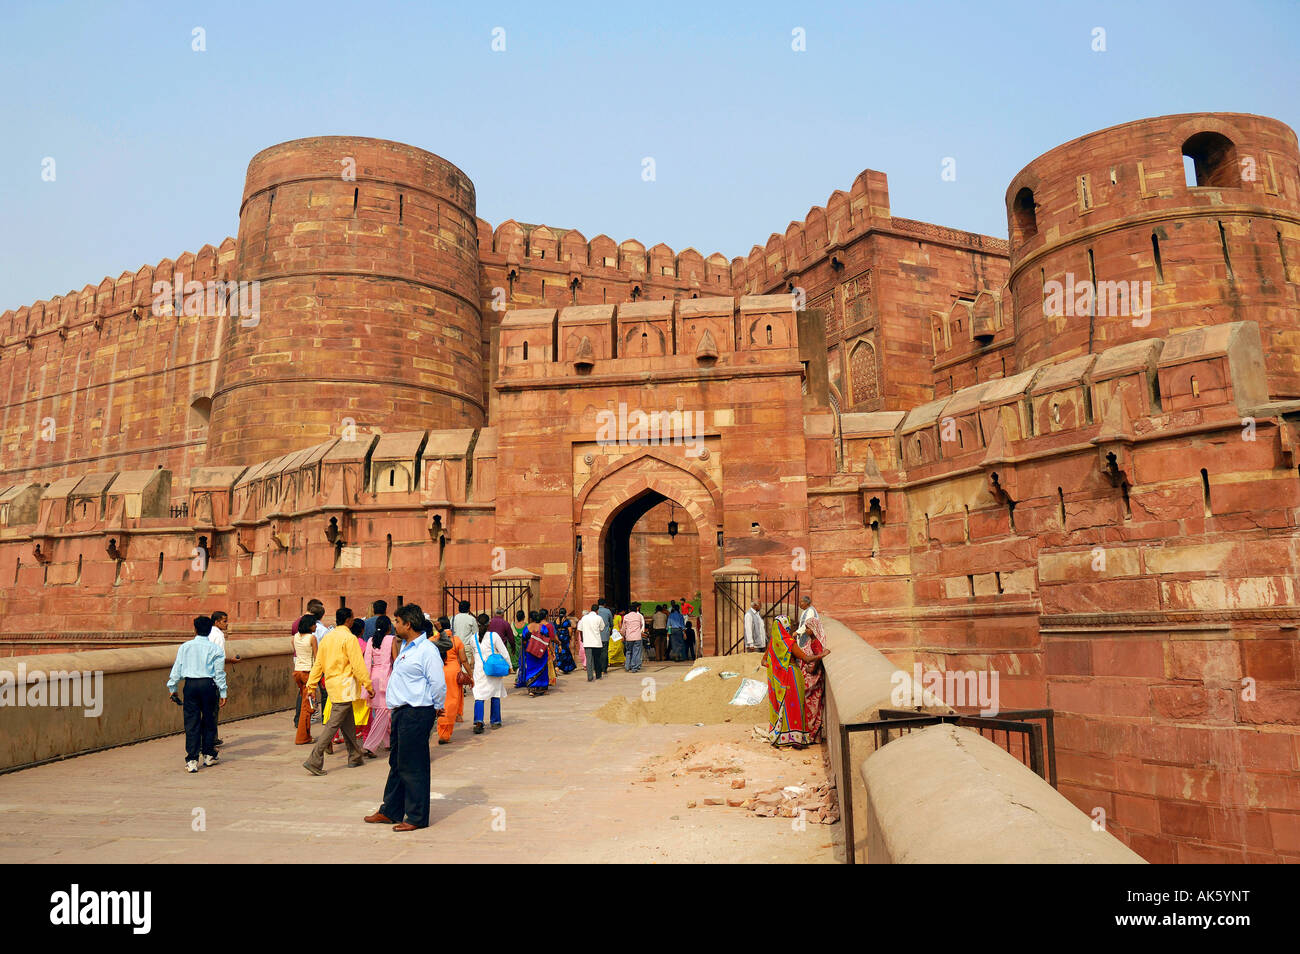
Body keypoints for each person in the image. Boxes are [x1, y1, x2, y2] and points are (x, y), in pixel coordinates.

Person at [364, 602, 446, 832]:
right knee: (397, 762)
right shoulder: (407, 648)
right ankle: (391, 810)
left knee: (413, 765)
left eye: (398, 622)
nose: (395, 625)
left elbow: (438, 683)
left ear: (408, 624)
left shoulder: (427, 650)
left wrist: (437, 706)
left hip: (417, 712)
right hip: (401, 711)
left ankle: (417, 816)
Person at [303, 607, 374, 775]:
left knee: (348, 723)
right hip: (345, 686)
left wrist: (311, 685)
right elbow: (357, 664)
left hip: (333, 685)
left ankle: (355, 756)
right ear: (348, 620)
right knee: (333, 725)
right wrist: (368, 685)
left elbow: (318, 664)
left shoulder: (327, 638)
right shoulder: (349, 638)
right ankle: (314, 759)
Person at [168, 616, 227, 773]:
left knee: (191, 722)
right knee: (209, 720)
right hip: (208, 685)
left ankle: (192, 760)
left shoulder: (185, 647)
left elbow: (177, 668)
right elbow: (219, 673)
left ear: (195, 629)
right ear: (209, 630)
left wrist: (173, 686)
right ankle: (208, 754)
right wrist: (223, 691)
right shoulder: (215, 649)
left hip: (191, 685)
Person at [763, 616, 828, 748]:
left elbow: (764, 662)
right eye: (790, 624)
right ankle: (796, 739)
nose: (792, 627)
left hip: (779, 680)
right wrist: (822, 654)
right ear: (785, 627)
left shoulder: (773, 644)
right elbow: (807, 659)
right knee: (795, 706)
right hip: (792, 677)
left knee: (784, 706)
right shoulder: (789, 643)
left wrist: (777, 668)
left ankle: (782, 737)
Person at [362, 615, 397, 757]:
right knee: (384, 712)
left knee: (382, 712)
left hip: (373, 677)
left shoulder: (371, 640)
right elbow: (396, 660)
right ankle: (369, 746)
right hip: (386, 677)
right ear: (389, 627)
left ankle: (388, 742)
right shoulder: (391, 639)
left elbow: (367, 661)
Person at [470, 620, 511, 733]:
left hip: (479, 670)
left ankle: (478, 721)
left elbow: (474, 653)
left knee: (479, 696)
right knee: (495, 694)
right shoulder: (494, 636)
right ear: (489, 624)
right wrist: (509, 666)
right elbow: (504, 652)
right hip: (493, 669)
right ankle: (495, 721)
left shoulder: (473, 638)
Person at [795, 614, 831, 742]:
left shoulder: (816, 643)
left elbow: (817, 659)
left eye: (808, 628)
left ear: (814, 629)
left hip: (813, 679)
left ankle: (811, 735)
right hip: (809, 675)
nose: (806, 630)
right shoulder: (812, 641)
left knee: (811, 708)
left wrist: (812, 669)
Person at [437, 615, 471, 744]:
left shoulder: (433, 639)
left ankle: (441, 730)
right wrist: (470, 674)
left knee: (441, 701)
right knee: (452, 701)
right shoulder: (456, 640)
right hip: (453, 673)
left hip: (439, 672)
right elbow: (464, 660)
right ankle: (446, 734)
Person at [292, 615, 318, 745]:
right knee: (307, 707)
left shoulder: (295, 637)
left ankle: (305, 735)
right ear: (309, 625)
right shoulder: (312, 638)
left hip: (298, 671)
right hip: (308, 673)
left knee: (305, 703)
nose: (316, 626)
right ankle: (302, 737)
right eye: (314, 624)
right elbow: (317, 658)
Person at [207, 609, 229, 746]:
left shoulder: (207, 633)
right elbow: (219, 660)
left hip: (199, 676)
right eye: (224, 621)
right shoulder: (219, 636)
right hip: (213, 677)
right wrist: (223, 689)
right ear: (216, 622)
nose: (227, 624)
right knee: (213, 711)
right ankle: (211, 740)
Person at [516, 610, 551, 695]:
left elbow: (524, 639)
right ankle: (542, 688)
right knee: (542, 668)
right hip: (541, 651)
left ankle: (531, 689)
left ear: (531, 618)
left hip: (530, 651)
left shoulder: (527, 628)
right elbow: (547, 638)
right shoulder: (543, 627)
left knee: (531, 668)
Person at [578, 605, 606, 681]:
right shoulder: (599, 618)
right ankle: (598, 675)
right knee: (597, 659)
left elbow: (580, 629)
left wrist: (583, 639)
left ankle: (590, 676)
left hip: (587, 642)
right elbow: (602, 628)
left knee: (589, 660)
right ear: (597, 610)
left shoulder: (584, 618)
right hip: (597, 642)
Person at [452, 600, 478, 679]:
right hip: (466, 645)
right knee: (465, 666)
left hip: (455, 645)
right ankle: (464, 682)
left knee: (456, 666)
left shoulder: (453, 618)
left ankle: (457, 682)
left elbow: (451, 631)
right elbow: (475, 634)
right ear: (468, 609)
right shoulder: (471, 619)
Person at [622, 603, 645, 672]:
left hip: (629, 637)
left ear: (629, 610)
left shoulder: (626, 616)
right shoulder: (639, 616)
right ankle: (634, 667)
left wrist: (623, 635)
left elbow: (624, 627)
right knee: (636, 652)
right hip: (637, 636)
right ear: (636, 609)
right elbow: (641, 625)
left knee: (628, 651)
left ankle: (627, 666)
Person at [553, 607, 577, 674]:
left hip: (558, 637)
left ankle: (564, 667)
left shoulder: (556, 620)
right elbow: (570, 631)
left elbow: (555, 629)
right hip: (565, 638)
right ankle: (559, 666)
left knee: (559, 651)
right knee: (565, 652)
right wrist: (569, 637)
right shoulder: (566, 621)